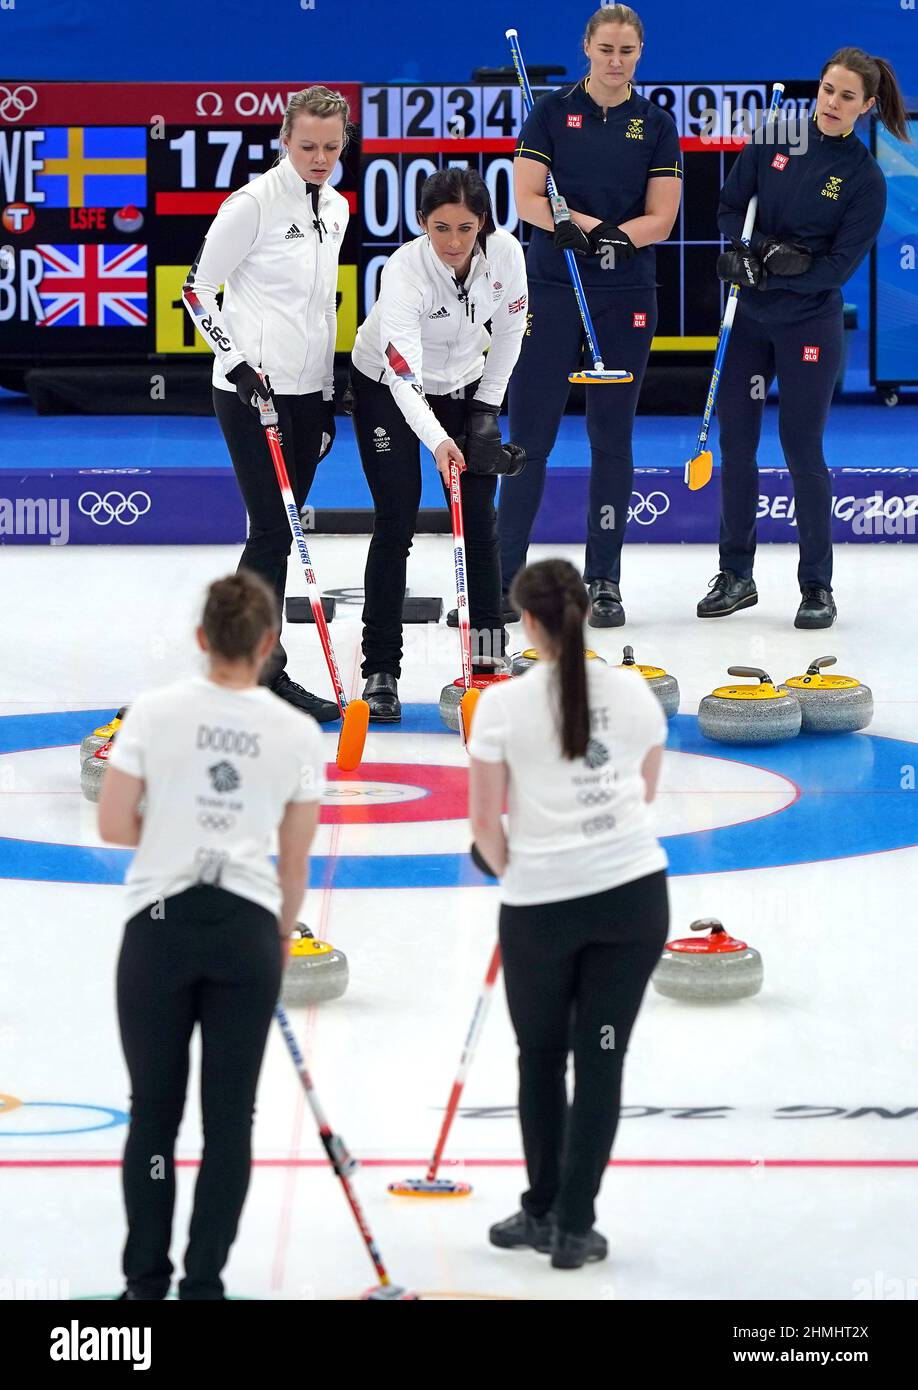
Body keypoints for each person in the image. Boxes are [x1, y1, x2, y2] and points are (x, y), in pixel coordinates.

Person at [98, 571, 324, 1300]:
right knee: (231, 1120)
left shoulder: (156, 711)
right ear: (267, 645)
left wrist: (167, 832)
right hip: (247, 930)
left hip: (159, 927)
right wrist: (277, 940)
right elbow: (294, 863)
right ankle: (204, 1283)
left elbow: (111, 824)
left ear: (202, 640)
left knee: (154, 1114)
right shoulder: (295, 731)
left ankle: (144, 1282)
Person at [467, 558, 668, 1270]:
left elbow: (487, 831)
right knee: (603, 1061)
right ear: (584, 612)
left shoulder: (502, 705)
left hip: (542, 908)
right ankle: (574, 1226)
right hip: (634, 900)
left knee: (543, 1058)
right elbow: (642, 798)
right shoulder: (638, 695)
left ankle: (545, 1206)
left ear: (526, 621)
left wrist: (504, 863)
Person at [699, 48, 910, 629]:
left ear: (867, 106)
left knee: (801, 449)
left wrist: (780, 267)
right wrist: (747, 257)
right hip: (748, 319)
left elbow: (836, 269)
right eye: (827, 90)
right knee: (737, 448)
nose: (833, 104)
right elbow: (727, 209)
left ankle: (817, 586)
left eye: (848, 97)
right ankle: (736, 576)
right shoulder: (777, 138)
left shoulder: (866, 179)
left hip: (808, 325)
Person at [500, 5, 682, 628]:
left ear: (640, 53)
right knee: (528, 438)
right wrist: (565, 225)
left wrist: (611, 237)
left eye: (626, 51)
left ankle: (604, 580)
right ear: (586, 47)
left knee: (612, 439)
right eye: (605, 48)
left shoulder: (655, 123)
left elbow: (661, 216)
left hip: (624, 291)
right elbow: (527, 196)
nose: (615, 60)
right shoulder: (550, 112)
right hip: (551, 286)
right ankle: (504, 578)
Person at [183, 85, 351, 718]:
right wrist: (236, 362)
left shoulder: (334, 208)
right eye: (307, 145)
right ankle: (256, 668)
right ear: (284, 140)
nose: (318, 157)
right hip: (252, 391)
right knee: (271, 531)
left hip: (308, 395)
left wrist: (330, 392)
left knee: (282, 533)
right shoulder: (251, 205)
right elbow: (197, 291)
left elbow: (323, 307)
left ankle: (247, 663)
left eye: (331, 147)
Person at [349, 167, 528, 722]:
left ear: (484, 225)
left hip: (465, 384)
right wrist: (438, 441)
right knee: (396, 520)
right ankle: (380, 669)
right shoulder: (404, 271)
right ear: (423, 222)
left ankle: (488, 655)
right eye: (441, 227)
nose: (453, 242)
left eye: (466, 229)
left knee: (480, 516)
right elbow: (403, 372)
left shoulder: (507, 257)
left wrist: (483, 416)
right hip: (387, 386)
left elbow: (510, 336)